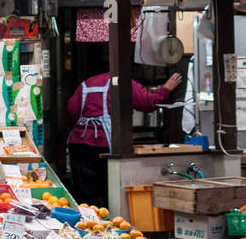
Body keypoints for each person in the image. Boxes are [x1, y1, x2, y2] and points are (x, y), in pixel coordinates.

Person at [65, 69, 183, 210]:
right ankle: (103, 225)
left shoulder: (86, 84)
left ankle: (84, 222)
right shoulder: (123, 82)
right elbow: (147, 103)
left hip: (79, 144)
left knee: (82, 193)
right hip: (104, 145)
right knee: (105, 193)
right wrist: (165, 89)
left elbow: (71, 111)